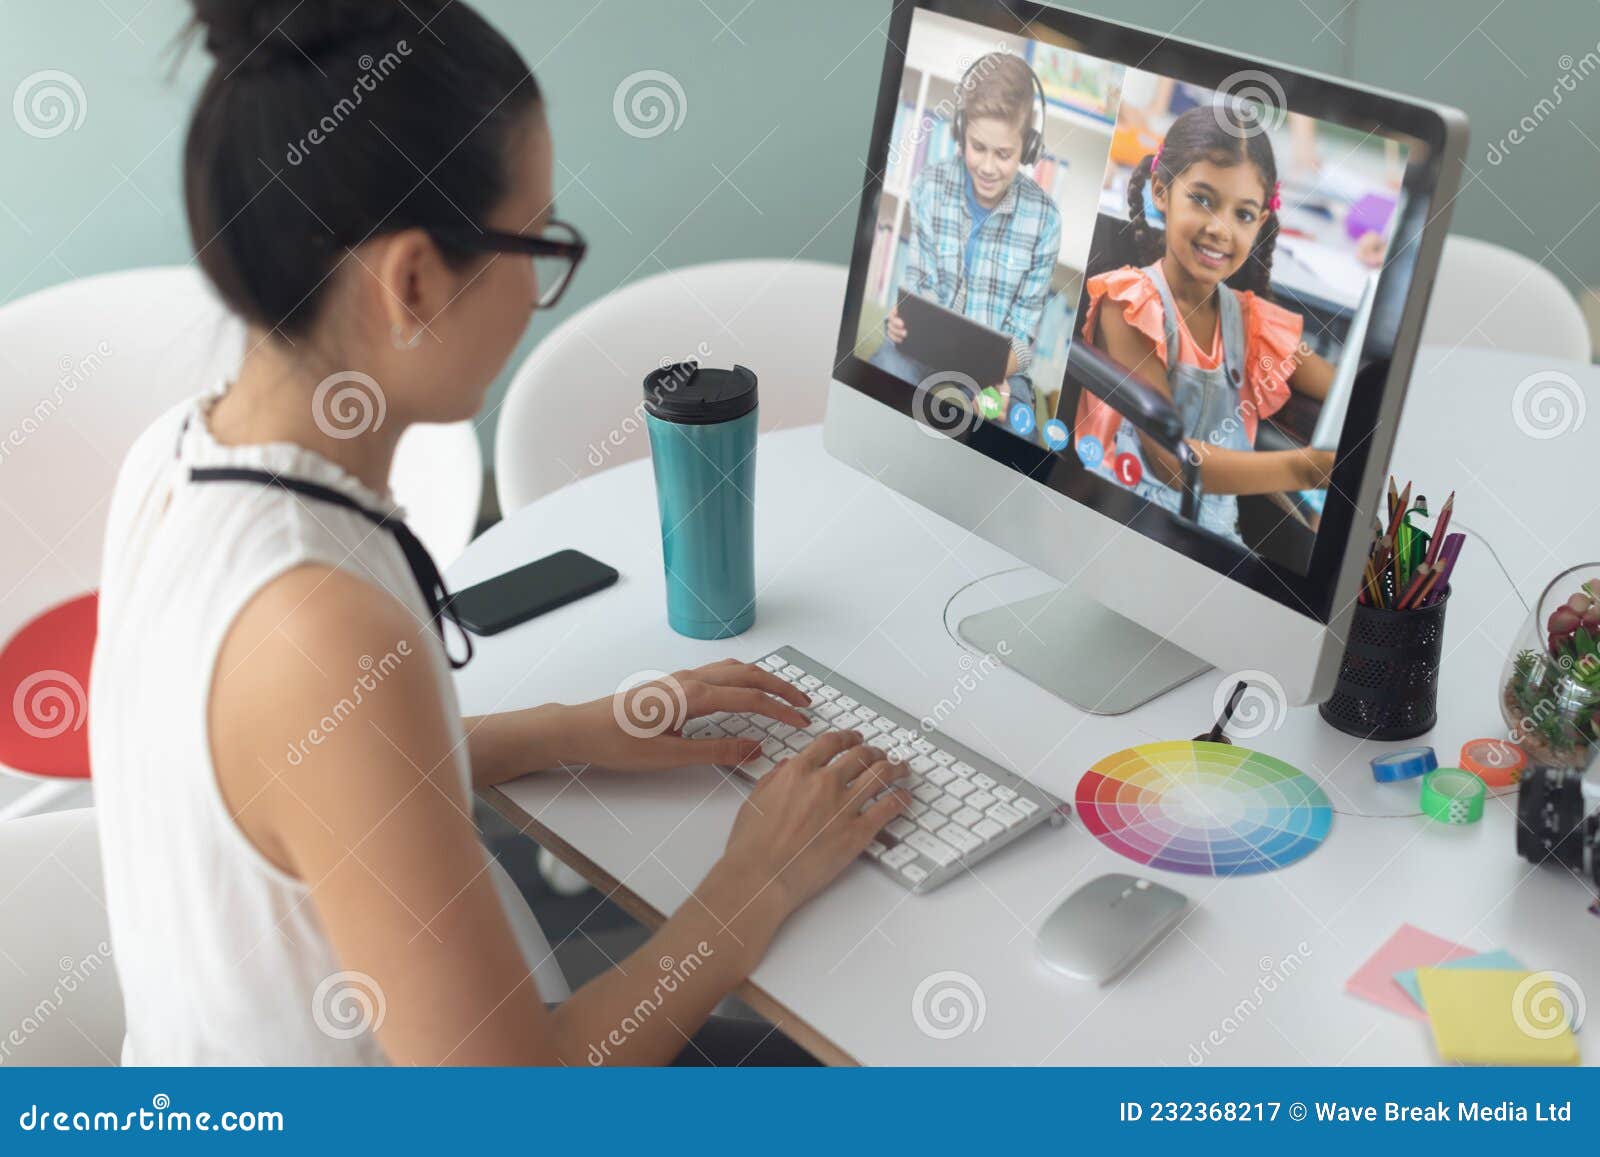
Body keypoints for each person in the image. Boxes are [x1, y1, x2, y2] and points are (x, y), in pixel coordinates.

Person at [89, 0, 909, 1066]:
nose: (536, 293)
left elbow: (304, 782)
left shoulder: (172, 459)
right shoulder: (318, 624)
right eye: (537, 242)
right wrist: (759, 878)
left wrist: (573, 727)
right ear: (416, 279)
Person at [1073, 105, 1337, 546]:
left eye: (1243, 214)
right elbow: (1172, 466)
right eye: (1202, 199)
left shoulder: (1252, 323)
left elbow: (1352, 396)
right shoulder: (1130, 304)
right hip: (1124, 528)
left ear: (1261, 223)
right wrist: (1303, 468)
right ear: (1162, 191)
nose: (1221, 229)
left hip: (1213, 541)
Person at [873, 51, 1062, 435]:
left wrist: (998, 376)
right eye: (978, 147)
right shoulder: (929, 186)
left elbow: (1024, 334)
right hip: (925, 355)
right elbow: (919, 286)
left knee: (1008, 436)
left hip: (999, 373)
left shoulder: (1045, 219)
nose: (989, 167)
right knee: (879, 388)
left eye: (1005, 154)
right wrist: (897, 323)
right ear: (960, 132)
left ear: (1027, 148)